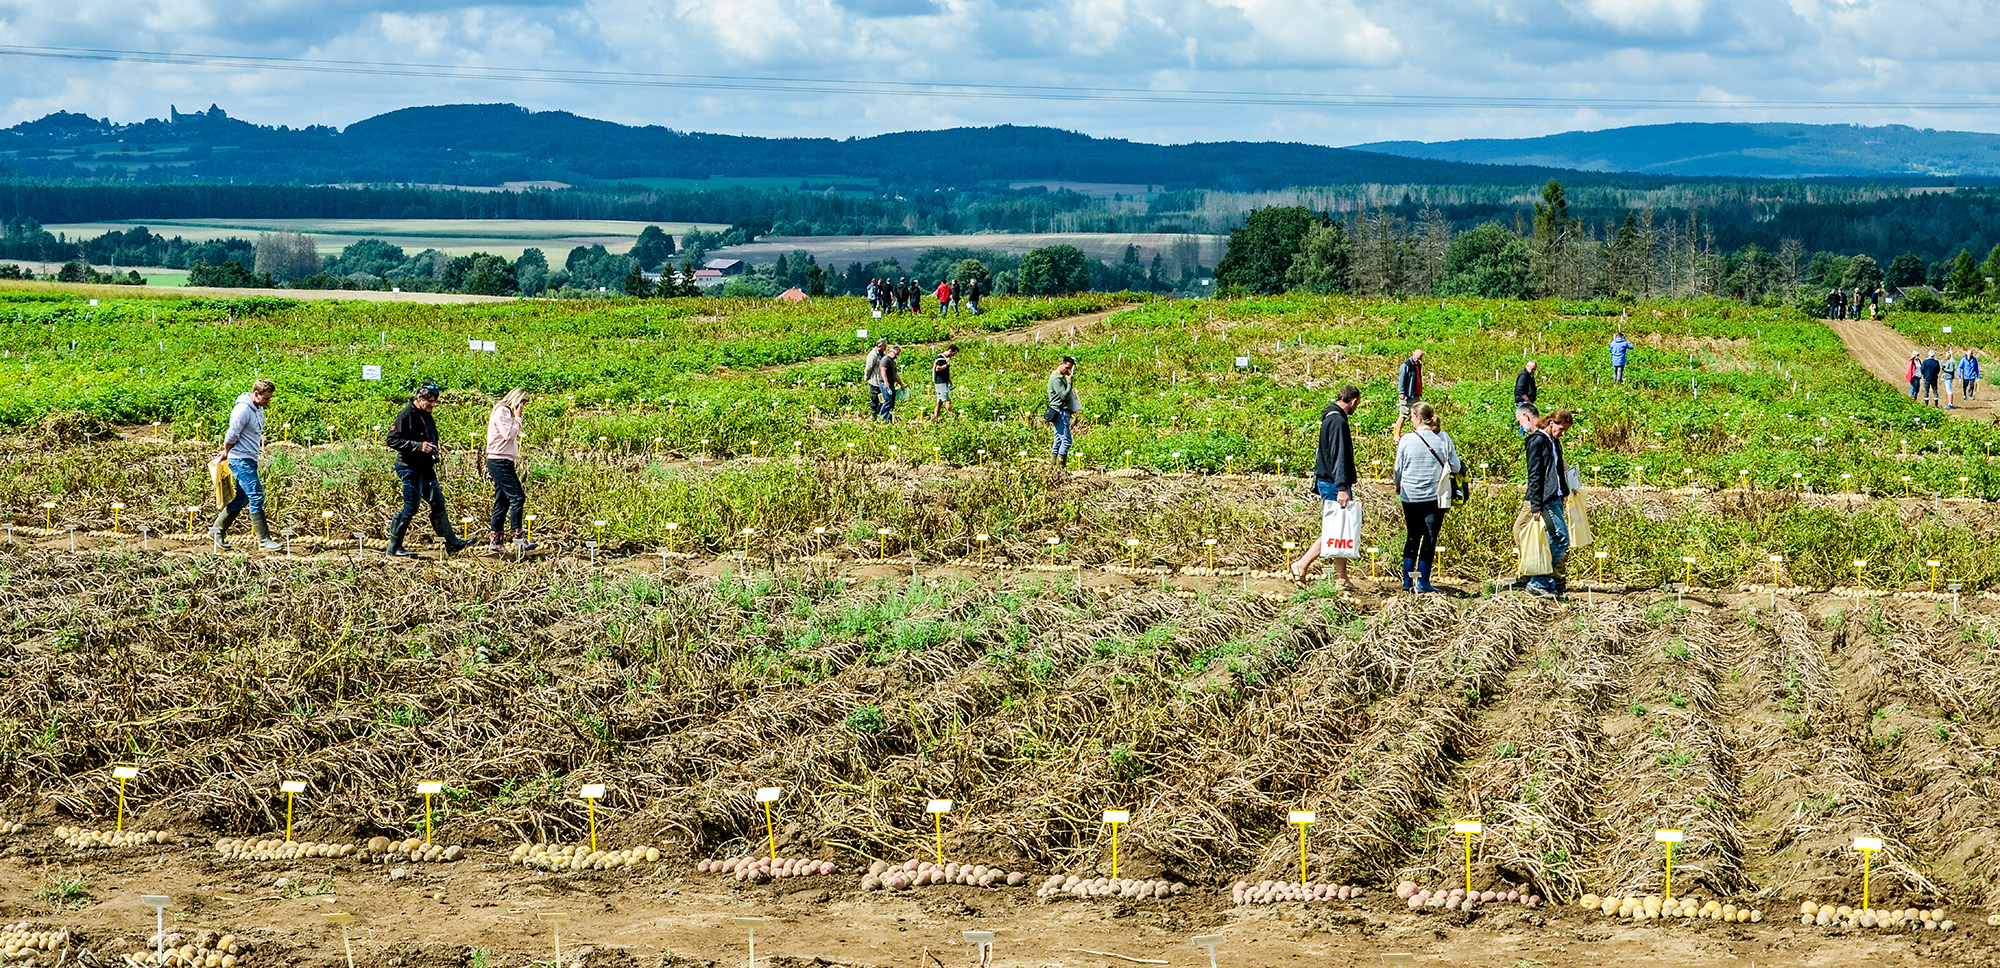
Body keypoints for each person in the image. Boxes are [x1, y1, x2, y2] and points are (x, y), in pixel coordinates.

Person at [385, 384, 474, 558]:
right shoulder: (406, 415)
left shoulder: (425, 413)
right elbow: (392, 439)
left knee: (438, 502)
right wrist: (418, 446)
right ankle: (394, 547)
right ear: (419, 399)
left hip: (425, 467)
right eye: (430, 401)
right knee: (411, 506)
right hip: (409, 467)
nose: (433, 405)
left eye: (435, 402)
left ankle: (452, 544)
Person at [1292, 384, 1361, 591]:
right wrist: (1341, 487)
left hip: (1329, 480)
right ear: (1353, 401)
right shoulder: (1338, 421)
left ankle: (1341, 577)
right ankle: (1301, 564)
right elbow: (1338, 455)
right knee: (1334, 529)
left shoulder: (1330, 417)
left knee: (1341, 527)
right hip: (1333, 482)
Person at [1393, 402, 1461, 594]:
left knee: (1413, 535)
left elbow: (1398, 468)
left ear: (1418, 418)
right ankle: (1423, 583)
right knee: (1430, 538)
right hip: (1435, 496)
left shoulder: (1407, 439)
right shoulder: (1444, 438)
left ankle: (1407, 581)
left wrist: (1398, 485)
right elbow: (1455, 467)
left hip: (1411, 495)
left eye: (1411, 416)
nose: (1410, 419)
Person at [210, 378, 283, 551]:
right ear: (256, 394)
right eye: (266, 398)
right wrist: (226, 451)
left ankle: (216, 530)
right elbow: (232, 434)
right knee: (256, 496)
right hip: (240, 459)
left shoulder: (258, 408)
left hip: (249, 458)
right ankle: (264, 540)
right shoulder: (242, 409)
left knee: (242, 498)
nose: (268, 402)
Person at [1522, 406, 1574, 600]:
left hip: (1556, 496)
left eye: (1565, 430)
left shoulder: (1555, 442)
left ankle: (1546, 581)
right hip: (1546, 498)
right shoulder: (1537, 441)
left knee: (1554, 539)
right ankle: (1539, 581)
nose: (1563, 433)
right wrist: (1536, 505)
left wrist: (1567, 489)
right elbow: (1534, 475)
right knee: (1561, 538)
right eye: (1561, 429)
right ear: (1552, 423)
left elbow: (1558, 470)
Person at [484, 388, 537, 552]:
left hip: (502, 460)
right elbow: (508, 434)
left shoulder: (503, 412)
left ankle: (496, 540)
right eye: (522, 403)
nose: (522, 407)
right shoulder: (503, 411)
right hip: (499, 460)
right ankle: (518, 536)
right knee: (517, 497)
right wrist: (518, 417)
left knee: (503, 500)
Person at [1047, 356, 1080, 467]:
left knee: (1058, 439)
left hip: (1060, 411)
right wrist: (1069, 383)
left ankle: (1054, 467)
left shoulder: (1059, 377)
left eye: (1070, 368)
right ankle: (1060, 468)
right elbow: (1063, 395)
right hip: (1060, 412)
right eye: (1066, 367)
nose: (1068, 370)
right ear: (1061, 364)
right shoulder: (1057, 379)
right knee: (1066, 441)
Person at [1392, 348, 1424, 438]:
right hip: (1407, 395)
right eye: (1417, 358)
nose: (1418, 360)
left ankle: (1419, 433)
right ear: (1413, 354)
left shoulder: (1418, 365)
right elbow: (1401, 379)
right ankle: (1396, 435)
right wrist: (1401, 392)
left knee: (1418, 413)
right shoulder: (1406, 365)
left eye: (1420, 358)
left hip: (1415, 394)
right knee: (1403, 414)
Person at [864, 337, 889, 419]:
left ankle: (880, 415)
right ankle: (874, 416)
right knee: (874, 399)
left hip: (881, 381)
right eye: (884, 346)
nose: (886, 347)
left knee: (882, 399)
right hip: (874, 381)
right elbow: (869, 368)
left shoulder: (882, 353)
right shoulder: (873, 355)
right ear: (879, 346)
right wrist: (866, 377)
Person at [931, 343, 958, 421]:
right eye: (954, 353)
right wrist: (946, 365)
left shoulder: (944, 359)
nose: (953, 355)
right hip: (941, 382)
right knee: (947, 400)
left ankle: (936, 417)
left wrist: (950, 382)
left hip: (942, 382)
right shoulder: (941, 359)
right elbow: (937, 368)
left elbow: (946, 373)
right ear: (950, 350)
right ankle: (953, 418)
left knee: (939, 402)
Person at [878, 345, 904, 421]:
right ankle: (881, 418)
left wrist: (901, 384)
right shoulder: (885, 360)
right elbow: (883, 371)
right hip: (885, 384)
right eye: (895, 354)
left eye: (897, 355)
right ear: (890, 351)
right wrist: (886, 382)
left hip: (891, 384)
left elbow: (895, 375)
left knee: (892, 401)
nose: (896, 356)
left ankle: (888, 418)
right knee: (888, 400)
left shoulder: (892, 362)